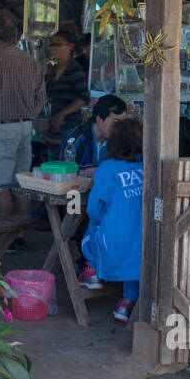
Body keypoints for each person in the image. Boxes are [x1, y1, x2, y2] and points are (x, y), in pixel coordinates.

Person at [79, 117, 146, 322]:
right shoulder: (149, 166)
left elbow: (94, 210)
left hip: (114, 243)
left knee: (93, 227)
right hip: (147, 241)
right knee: (136, 249)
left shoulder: (107, 169)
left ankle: (92, 270)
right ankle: (126, 303)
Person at [0, 13, 46, 217]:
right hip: (26, 126)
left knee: (1, 184)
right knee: (22, 182)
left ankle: (7, 236)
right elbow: (40, 101)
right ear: (17, 36)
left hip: (1, 127)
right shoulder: (32, 62)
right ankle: (20, 233)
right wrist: (27, 116)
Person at [44, 30, 90, 154]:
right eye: (52, 44)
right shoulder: (54, 68)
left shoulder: (75, 69)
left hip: (70, 127)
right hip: (55, 128)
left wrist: (63, 113)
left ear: (70, 46)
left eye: (58, 44)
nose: (54, 47)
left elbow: (84, 98)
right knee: (52, 167)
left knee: (65, 166)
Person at [59, 94, 127, 173]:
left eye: (122, 123)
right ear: (99, 119)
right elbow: (65, 170)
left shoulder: (119, 139)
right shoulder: (76, 139)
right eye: (115, 122)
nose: (120, 127)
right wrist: (91, 171)